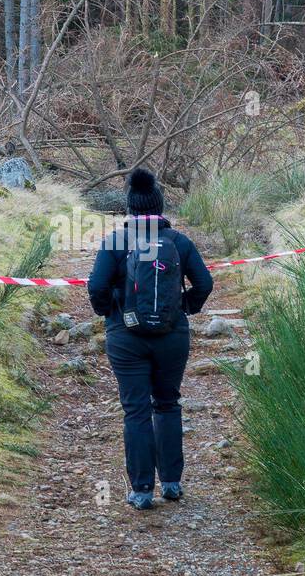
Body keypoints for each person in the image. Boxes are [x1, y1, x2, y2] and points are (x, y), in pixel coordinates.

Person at [87, 168, 213, 510]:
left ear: (130, 209)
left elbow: (96, 288)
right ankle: (171, 484)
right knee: (168, 403)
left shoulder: (115, 241)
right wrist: (184, 307)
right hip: (172, 336)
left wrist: (109, 311)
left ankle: (142, 491)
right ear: (159, 207)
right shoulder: (180, 243)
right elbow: (204, 284)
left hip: (125, 337)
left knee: (136, 410)